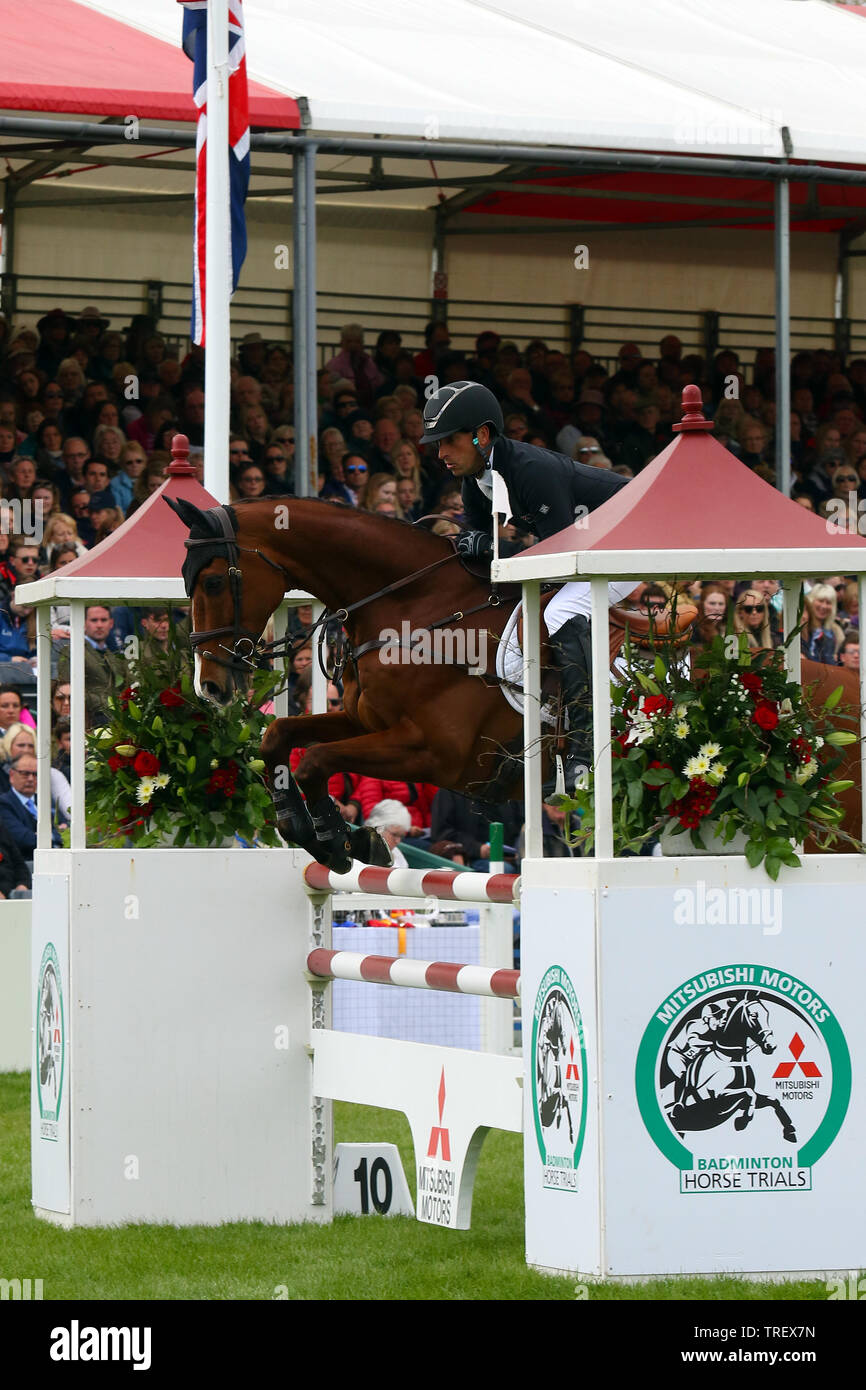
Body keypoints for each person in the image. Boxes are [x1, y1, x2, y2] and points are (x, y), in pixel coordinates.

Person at [421, 380, 632, 789]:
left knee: (561, 609)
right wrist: (475, 544)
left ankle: (586, 748)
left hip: (626, 539)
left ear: (482, 435)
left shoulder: (532, 470)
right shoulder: (475, 481)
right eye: (438, 443)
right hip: (584, 547)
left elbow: (556, 561)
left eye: (449, 440)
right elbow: (485, 559)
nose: (441, 453)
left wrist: (501, 549)